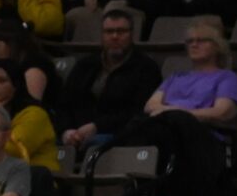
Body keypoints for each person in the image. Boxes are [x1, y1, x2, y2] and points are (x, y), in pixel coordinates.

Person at [119, 19, 237, 196]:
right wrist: (171, 112)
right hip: (165, 129)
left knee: (173, 120)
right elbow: (150, 106)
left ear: (217, 46)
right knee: (139, 122)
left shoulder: (226, 77)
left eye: (201, 40)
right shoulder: (176, 77)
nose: (194, 44)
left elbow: (222, 112)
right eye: (190, 41)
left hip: (202, 137)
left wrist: (176, 111)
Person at [57, 8, 161, 155]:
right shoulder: (84, 65)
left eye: (121, 31)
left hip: (117, 135)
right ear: (102, 35)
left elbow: (139, 112)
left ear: (132, 34)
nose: (114, 36)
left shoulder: (146, 68)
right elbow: (64, 104)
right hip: (76, 134)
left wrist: (97, 126)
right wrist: (66, 131)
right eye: (109, 31)